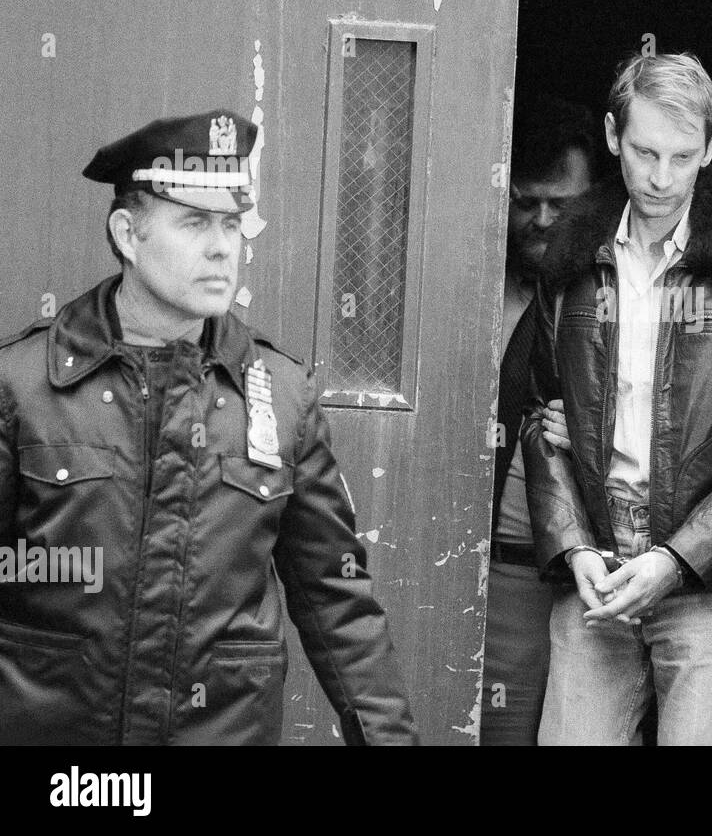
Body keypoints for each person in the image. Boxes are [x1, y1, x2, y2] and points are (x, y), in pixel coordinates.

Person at [0, 110, 417, 745]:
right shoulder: (23, 386)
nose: (223, 247)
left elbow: (335, 594)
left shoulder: (281, 395)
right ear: (129, 234)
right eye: (194, 223)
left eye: (232, 223)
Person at [520, 52, 712, 745]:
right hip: (598, 572)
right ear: (614, 135)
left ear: (710, 148)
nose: (661, 177)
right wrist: (573, 548)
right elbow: (542, 415)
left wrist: (675, 560)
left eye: (683, 156)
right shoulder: (571, 256)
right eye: (646, 151)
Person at [480, 95, 597, 745]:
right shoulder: (470, 290)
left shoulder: (621, 297)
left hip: (592, 584)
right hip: (494, 573)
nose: (543, 219)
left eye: (563, 201)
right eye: (527, 200)